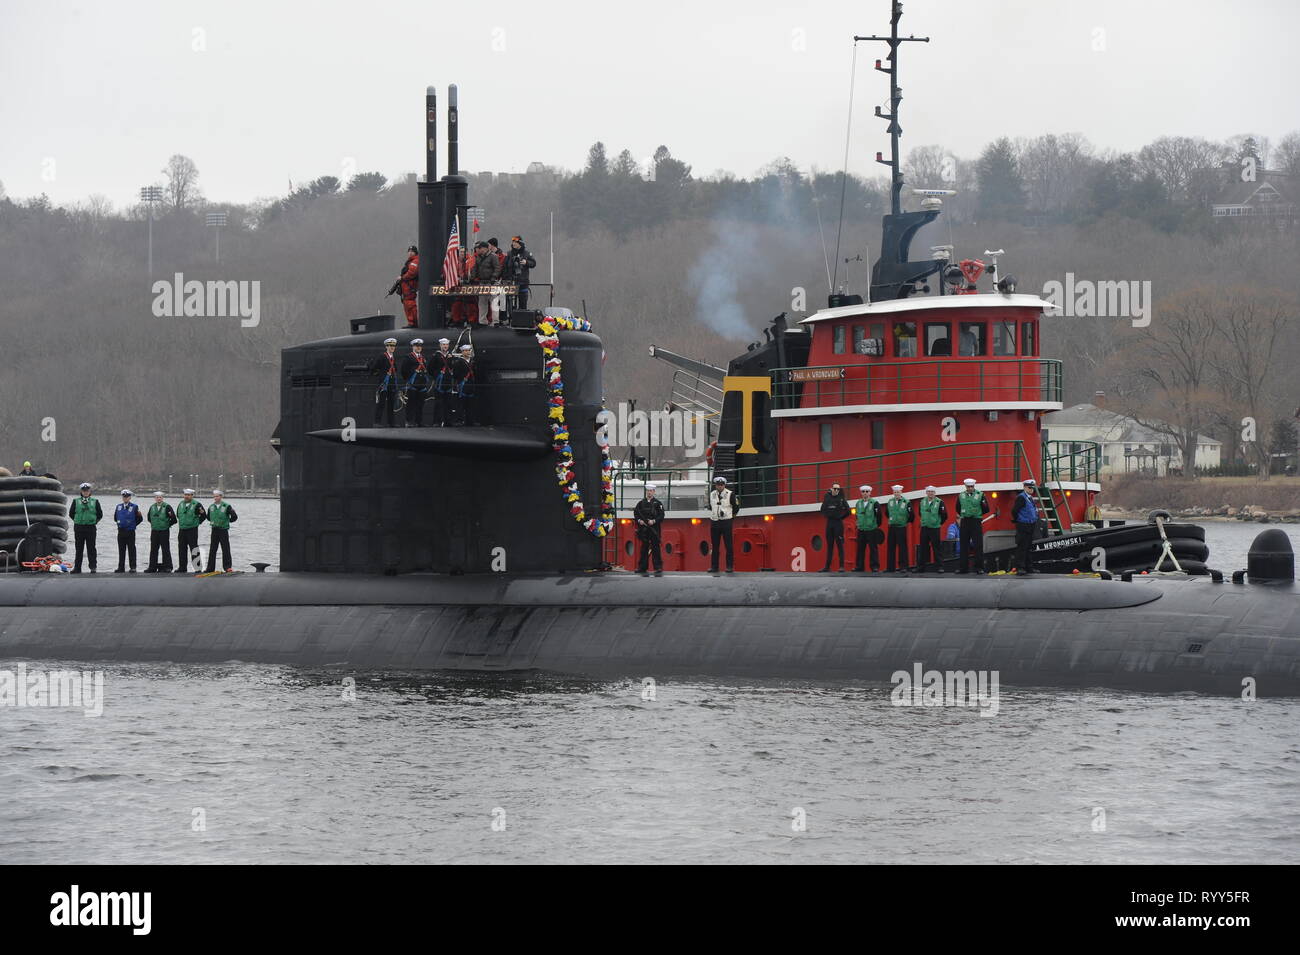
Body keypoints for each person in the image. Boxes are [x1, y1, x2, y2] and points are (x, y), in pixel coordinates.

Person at [955, 477, 990, 574]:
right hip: (965, 521)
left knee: (978, 545)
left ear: (974, 486)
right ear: (965, 486)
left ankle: (979, 568)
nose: (970, 488)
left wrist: (976, 513)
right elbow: (958, 507)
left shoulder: (980, 495)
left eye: (971, 486)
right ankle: (963, 568)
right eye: (968, 486)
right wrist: (966, 514)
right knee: (964, 545)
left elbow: (986, 508)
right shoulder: (961, 496)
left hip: (975, 521)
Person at [68, 482, 103, 573]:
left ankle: (93, 567)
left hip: (90, 528)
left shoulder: (95, 502)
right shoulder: (75, 501)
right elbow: (71, 514)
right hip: (79, 528)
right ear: (81, 491)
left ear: (90, 491)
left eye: (87, 491)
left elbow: (100, 514)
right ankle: (77, 568)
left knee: (91, 548)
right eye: (84, 491)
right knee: (79, 549)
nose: (85, 492)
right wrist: (78, 521)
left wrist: (93, 522)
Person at [708, 476, 739, 573]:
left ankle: (729, 566)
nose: (720, 486)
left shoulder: (730, 494)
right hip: (715, 522)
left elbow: (736, 507)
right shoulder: (712, 494)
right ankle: (714, 567)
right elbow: (711, 506)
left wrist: (731, 517)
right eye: (718, 485)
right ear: (715, 485)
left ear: (724, 485)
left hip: (726, 522)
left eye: (721, 485)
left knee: (728, 545)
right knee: (715, 546)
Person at [634, 482, 665, 575]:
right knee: (644, 548)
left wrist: (654, 521)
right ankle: (642, 567)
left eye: (651, 491)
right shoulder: (640, 503)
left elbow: (662, 516)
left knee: (656, 548)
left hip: (654, 529)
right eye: (648, 491)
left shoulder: (658, 504)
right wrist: (639, 521)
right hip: (644, 530)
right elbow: (636, 514)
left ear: (654, 492)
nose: (649, 493)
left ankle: (658, 567)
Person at [400, 338, 433, 427]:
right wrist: (409, 380)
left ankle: (419, 422)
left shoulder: (423, 358)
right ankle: (409, 421)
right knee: (411, 404)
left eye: (420, 346)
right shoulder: (408, 357)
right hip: (413, 385)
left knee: (420, 405)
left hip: (422, 385)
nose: (418, 347)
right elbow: (403, 370)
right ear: (413, 347)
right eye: (416, 346)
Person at [819, 482, 850, 572]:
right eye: (835, 488)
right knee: (829, 545)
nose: (836, 490)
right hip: (830, 523)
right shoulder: (827, 497)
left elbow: (848, 510)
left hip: (838, 523)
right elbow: (822, 508)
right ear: (831, 489)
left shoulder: (841, 498)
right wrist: (827, 515)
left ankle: (841, 566)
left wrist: (841, 517)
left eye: (838, 489)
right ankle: (827, 566)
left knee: (840, 545)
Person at [204, 490, 238, 573]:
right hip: (214, 529)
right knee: (212, 549)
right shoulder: (211, 507)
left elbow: (234, 517)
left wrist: (227, 521)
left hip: (223, 529)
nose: (215, 498)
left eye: (217, 496)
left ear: (221, 497)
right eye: (214, 496)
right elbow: (208, 517)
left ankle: (227, 567)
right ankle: (210, 568)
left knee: (225, 548)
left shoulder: (227, 506)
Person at [174, 488, 207, 573]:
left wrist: (196, 523)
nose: (186, 496)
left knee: (194, 548)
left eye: (188, 495)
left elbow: (203, 515)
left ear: (192, 495)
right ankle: (182, 567)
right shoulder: (181, 504)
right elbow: (178, 515)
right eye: (185, 495)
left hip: (192, 529)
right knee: (181, 548)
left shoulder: (197, 504)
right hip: (182, 529)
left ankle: (197, 568)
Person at [916, 485, 948, 572]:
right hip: (924, 528)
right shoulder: (922, 502)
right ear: (926, 492)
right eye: (929, 491)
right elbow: (920, 513)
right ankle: (921, 567)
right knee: (923, 548)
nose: (930, 493)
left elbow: (944, 515)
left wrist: (938, 523)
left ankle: (940, 567)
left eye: (932, 492)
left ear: (935, 493)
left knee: (937, 548)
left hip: (935, 528)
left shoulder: (939, 502)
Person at [1012, 479, 1040, 575]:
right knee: (1022, 547)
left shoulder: (1030, 498)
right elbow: (1014, 511)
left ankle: (1029, 567)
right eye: (1029, 487)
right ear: (1024, 487)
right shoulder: (1021, 498)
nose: (1031, 489)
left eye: (1032, 488)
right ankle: (1020, 567)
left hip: (1030, 525)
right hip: (1023, 525)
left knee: (1028, 547)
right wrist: (1018, 520)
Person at [387, 245, 419, 328]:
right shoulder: (410, 261)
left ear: (415, 252)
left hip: (410, 286)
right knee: (406, 303)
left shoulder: (415, 261)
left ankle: (413, 323)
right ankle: (411, 322)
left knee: (410, 304)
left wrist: (402, 277)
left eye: (412, 251)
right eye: (409, 251)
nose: (410, 253)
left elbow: (412, 273)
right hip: (406, 286)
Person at [144, 490, 177, 573]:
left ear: (162, 498)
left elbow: (174, 519)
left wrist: (166, 525)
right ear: (155, 498)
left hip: (164, 531)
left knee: (165, 549)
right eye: (157, 497)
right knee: (153, 549)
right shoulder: (152, 507)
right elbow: (149, 518)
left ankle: (168, 567)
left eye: (160, 497)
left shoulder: (167, 507)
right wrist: (155, 524)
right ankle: (152, 567)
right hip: (154, 531)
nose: (159, 499)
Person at [371, 337, 401, 426]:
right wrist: (381, 376)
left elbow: (395, 369)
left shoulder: (393, 358)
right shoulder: (382, 357)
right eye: (390, 346)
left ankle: (391, 423)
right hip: (384, 385)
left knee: (391, 405)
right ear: (386, 347)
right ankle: (377, 422)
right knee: (381, 404)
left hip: (391, 385)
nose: (392, 347)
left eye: (393, 346)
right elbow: (373, 370)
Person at [853, 484, 883, 573]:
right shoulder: (858, 503)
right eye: (863, 492)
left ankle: (874, 566)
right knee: (860, 549)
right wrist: (859, 524)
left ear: (870, 493)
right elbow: (857, 515)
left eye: (867, 491)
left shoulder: (874, 503)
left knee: (873, 548)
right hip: (861, 529)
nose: (865, 493)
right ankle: (859, 566)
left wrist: (875, 525)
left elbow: (879, 516)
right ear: (861, 493)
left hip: (871, 529)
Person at [471, 240, 502, 325]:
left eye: (480, 248)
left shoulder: (493, 256)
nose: (478, 250)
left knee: (494, 302)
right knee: (482, 302)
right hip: (482, 282)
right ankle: (482, 321)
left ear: (484, 248)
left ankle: (495, 321)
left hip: (492, 283)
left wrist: (494, 277)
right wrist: (472, 278)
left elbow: (497, 268)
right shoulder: (478, 257)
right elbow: (475, 269)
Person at [113, 489, 143, 573]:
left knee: (131, 549)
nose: (125, 498)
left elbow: (140, 519)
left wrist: (132, 525)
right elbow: (115, 518)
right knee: (121, 550)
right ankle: (121, 567)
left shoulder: (134, 507)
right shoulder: (118, 506)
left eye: (127, 497)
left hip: (130, 532)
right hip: (121, 531)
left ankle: (133, 567)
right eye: (124, 497)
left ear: (130, 497)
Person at [884, 484, 913, 573]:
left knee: (902, 548)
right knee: (890, 547)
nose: (896, 493)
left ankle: (903, 567)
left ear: (901, 492)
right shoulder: (890, 502)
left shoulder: (906, 502)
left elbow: (911, 515)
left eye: (898, 492)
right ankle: (890, 568)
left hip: (901, 527)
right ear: (893, 493)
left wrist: (904, 521)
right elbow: (887, 513)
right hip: (892, 527)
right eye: (895, 492)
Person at [505, 235, 537, 310]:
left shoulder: (527, 253)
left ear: (520, 243)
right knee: (509, 303)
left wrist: (526, 262)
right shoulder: (509, 253)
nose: (513, 243)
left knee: (523, 303)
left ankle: (522, 319)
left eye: (515, 242)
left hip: (523, 281)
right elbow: (505, 266)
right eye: (513, 242)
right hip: (511, 281)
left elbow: (534, 263)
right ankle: (510, 318)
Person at [431, 338, 455, 426]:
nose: (445, 346)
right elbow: (430, 368)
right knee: (438, 403)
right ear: (440, 345)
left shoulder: (450, 356)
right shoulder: (436, 356)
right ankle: (436, 422)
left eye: (446, 345)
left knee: (448, 403)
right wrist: (436, 376)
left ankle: (448, 421)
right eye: (443, 345)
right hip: (439, 383)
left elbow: (453, 367)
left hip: (448, 382)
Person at [452, 343, 476, 425]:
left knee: (470, 404)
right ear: (462, 352)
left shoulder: (472, 362)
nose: (467, 352)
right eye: (465, 351)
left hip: (471, 385)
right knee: (461, 404)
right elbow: (455, 375)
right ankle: (459, 420)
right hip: (462, 385)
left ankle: (470, 421)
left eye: (469, 350)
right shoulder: (458, 362)